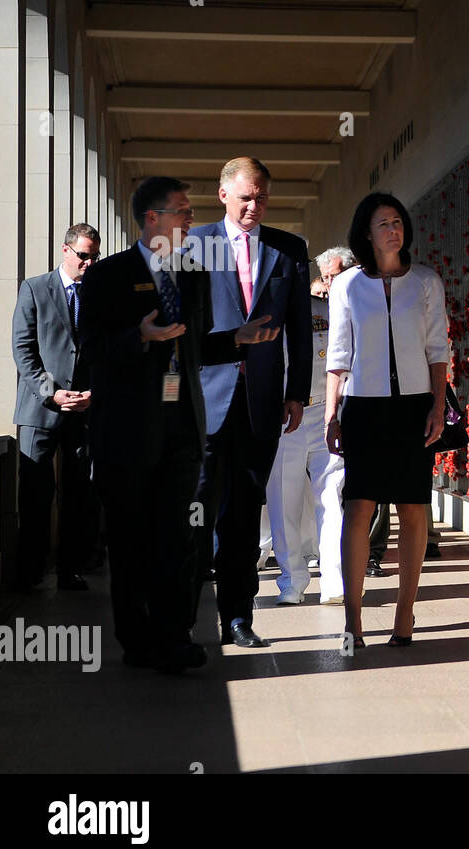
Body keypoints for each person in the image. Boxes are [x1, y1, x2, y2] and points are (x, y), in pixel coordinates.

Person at [78, 176, 278, 672]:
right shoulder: (107, 277)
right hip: (127, 433)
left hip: (184, 430)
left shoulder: (191, 273)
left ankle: (173, 637)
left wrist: (238, 338)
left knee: (179, 536)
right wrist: (138, 337)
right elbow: (90, 352)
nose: (191, 219)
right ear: (152, 219)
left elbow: (193, 344)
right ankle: (138, 642)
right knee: (130, 542)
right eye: (182, 211)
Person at [187, 156, 312, 649]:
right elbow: (184, 332)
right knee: (195, 510)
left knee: (242, 515)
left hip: (261, 404)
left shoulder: (288, 250)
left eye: (261, 197)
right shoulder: (193, 245)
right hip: (203, 403)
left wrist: (296, 392)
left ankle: (237, 618)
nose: (254, 206)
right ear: (223, 196)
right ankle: (184, 621)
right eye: (245, 197)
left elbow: (300, 331)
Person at [325, 192, 449, 648]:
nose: (393, 229)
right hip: (364, 405)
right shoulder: (348, 286)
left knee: (414, 507)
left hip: (415, 405)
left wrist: (438, 406)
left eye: (398, 221)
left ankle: (405, 615)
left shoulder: (426, 282)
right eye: (383, 223)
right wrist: (332, 412)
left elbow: (438, 350)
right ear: (367, 234)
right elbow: (339, 354)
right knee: (359, 505)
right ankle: (352, 620)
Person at [11, 223, 102, 592]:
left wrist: (94, 393)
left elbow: (108, 352)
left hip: (84, 411)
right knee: (35, 493)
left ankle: (70, 570)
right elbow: (23, 349)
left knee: (79, 494)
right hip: (40, 410)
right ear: (65, 251)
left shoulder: (100, 294)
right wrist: (52, 393)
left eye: (95, 256)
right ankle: (30, 572)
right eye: (83, 255)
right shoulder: (34, 288)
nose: (89, 263)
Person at [264, 247, 354, 605]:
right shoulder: (271, 316)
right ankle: (291, 580)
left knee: (331, 498)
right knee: (283, 501)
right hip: (286, 416)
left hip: (327, 413)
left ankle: (334, 579)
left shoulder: (332, 311)